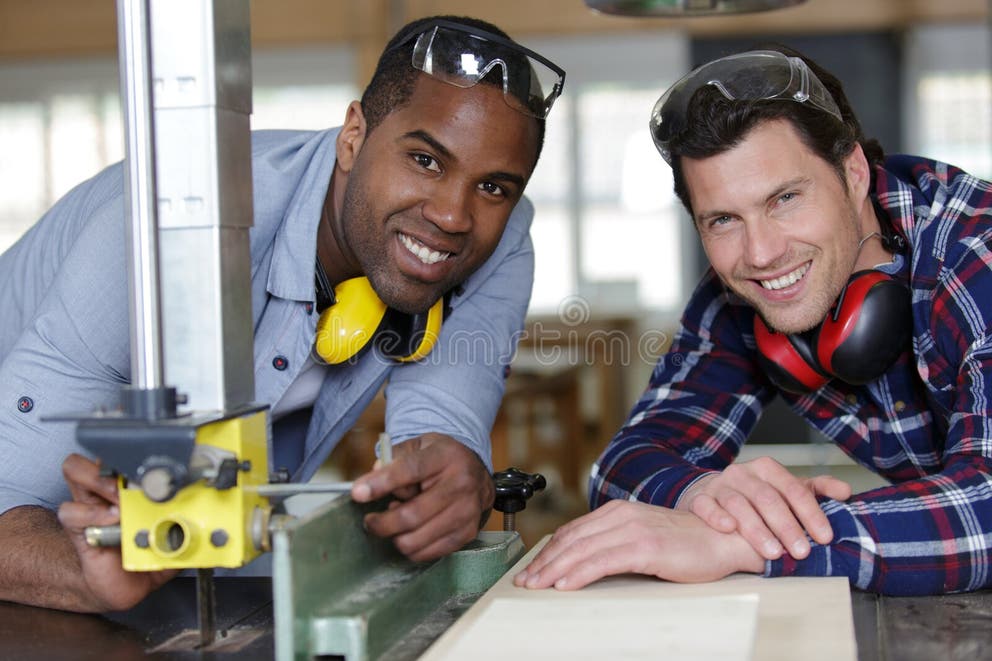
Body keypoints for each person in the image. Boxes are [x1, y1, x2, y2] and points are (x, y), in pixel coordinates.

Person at [0, 15, 565, 612]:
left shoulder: (499, 245)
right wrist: (86, 575)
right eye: (425, 160)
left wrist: (450, 483)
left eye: (495, 188)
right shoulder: (156, 233)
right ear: (353, 136)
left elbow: (441, 425)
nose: (453, 215)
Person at [515, 46, 992, 596]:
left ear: (854, 171)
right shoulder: (736, 296)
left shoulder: (975, 254)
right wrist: (699, 496)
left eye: (785, 198)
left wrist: (740, 543)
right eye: (723, 220)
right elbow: (624, 463)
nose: (761, 254)